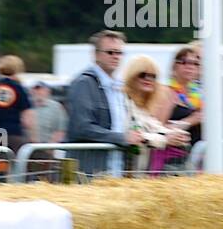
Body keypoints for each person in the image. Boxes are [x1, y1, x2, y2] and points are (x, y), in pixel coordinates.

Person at [67, 31, 142, 173]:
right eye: (110, 52)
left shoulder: (120, 86)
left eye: (119, 53)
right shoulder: (84, 83)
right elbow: (82, 127)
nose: (115, 57)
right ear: (96, 55)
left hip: (116, 167)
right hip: (89, 169)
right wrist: (121, 138)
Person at [122, 56, 190, 172]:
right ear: (132, 77)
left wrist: (176, 134)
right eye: (143, 75)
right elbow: (135, 135)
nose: (148, 79)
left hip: (140, 173)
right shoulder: (124, 103)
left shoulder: (142, 108)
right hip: (126, 172)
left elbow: (155, 127)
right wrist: (166, 139)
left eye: (153, 76)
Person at [156, 45, 204, 148]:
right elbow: (157, 128)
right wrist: (190, 121)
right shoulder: (166, 92)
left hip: (195, 154)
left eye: (195, 63)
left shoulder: (199, 94)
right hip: (171, 155)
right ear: (174, 66)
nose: (190, 66)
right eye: (184, 62)